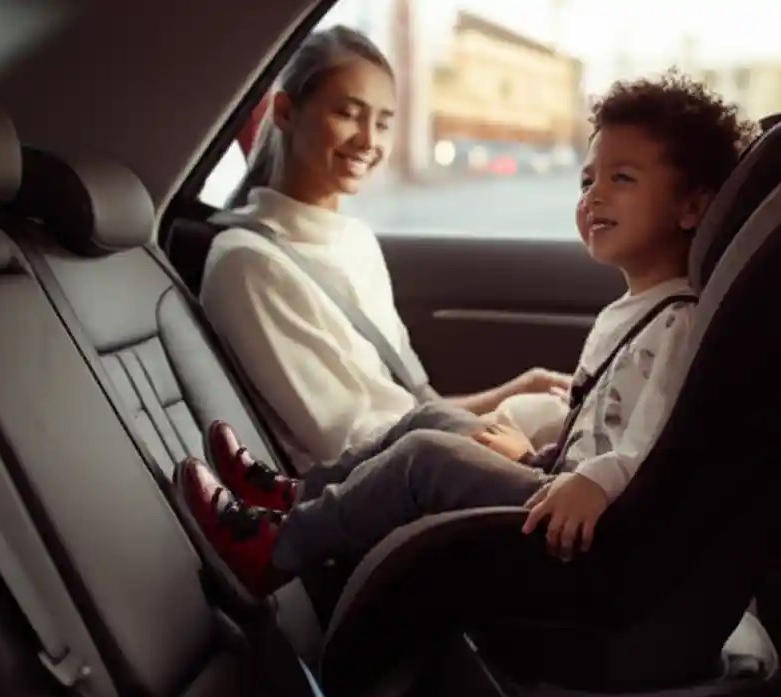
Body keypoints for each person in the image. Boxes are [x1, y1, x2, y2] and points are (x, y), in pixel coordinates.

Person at [182, 69, 755, 597]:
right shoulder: (635, 308)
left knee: (425, 457)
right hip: (568, 489)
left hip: (593, 530)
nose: (594, 196)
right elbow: (599, 427)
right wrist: (540, 459)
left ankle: (272, 552)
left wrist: (591, 481)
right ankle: (294, 497)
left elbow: (655, 443)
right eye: (587, 180)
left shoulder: (678, 321)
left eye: (622, 178)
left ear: (692, 206)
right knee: (431, 420)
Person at [200, 25, 569, 472]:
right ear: (285, 112)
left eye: (383, 122)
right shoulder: (248, 264)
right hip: (369, 492)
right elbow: (351, 443)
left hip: (411, 453)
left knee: (561, 413)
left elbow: (410, 408)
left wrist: (512, 394)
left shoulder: (353, 241)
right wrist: (503, 438)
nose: (368, 140)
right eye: (349, 114)